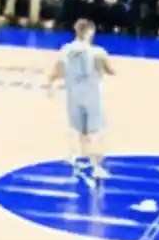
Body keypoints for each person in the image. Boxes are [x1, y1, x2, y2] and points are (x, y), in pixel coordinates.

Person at [46, 19, 114, 178]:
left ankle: (78, 160)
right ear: (90, 32)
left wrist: (50, 87)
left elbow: (55, 73)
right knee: (96, 132)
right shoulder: (98, 52)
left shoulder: (65, 50)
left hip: (73, 96)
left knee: (77, 131)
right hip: (91, 96)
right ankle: (96, 167)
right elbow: (111, 70)